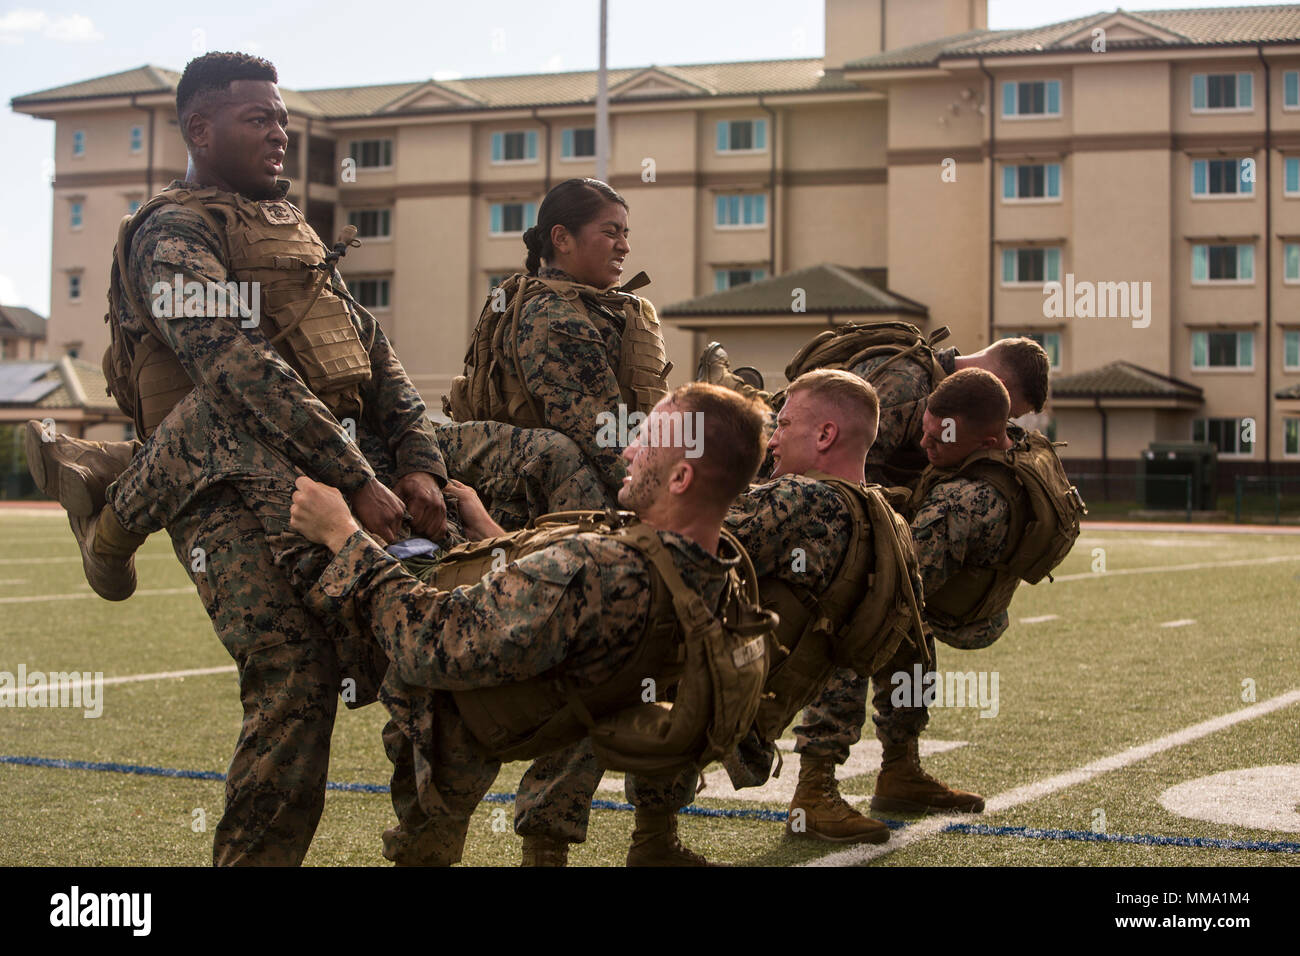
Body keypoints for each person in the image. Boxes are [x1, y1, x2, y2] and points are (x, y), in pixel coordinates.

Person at [25, 51, 450, 866]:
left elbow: (372, 350)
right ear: (200, 128)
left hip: (317, 459)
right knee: (293, 675)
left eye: (283, 119)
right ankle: (115, 517)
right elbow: (234, 367)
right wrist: (358, 475)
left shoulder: (290, 225)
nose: (279, 133)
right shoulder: (173, 231)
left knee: (430, 630)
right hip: (214, 482)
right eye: (258, 118)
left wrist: (420, 462)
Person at [286, 383, 770, 866]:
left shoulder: (599, 568)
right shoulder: (716, 577)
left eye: (647, 443)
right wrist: (501, 542)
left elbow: (430, 642)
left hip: (459, 728)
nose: (630, 449)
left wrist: (341, 533)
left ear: (681, 477)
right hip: (534, 715)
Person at [510, 369, 931, 860]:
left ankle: (547, 850)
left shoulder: (803, 499)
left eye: (786, 424)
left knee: (617, 655)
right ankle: (655, 842)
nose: (773, 439)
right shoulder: (885, 519)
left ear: (825, 434)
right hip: (751, 693)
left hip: (713, 684)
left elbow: (677, 533)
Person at [792, 367, 1076, 828]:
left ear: (986, 443)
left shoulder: (963, 504)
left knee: (857, 622)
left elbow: (897, 580)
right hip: (956, 597)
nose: (925, 448)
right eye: (926, 432)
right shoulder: (1017, 444)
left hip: (951, 602)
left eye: (939, 442)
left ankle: (823, 783)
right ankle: (879, 775)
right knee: (908, 642)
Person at [701, 329, 1050, 487]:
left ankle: (732, 385)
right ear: (998, 389)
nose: (1002, 425)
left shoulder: (938, 393)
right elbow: (850, 466)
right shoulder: (909, 388)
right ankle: (724, 386)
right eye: (1009, 414)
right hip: (772, 468)